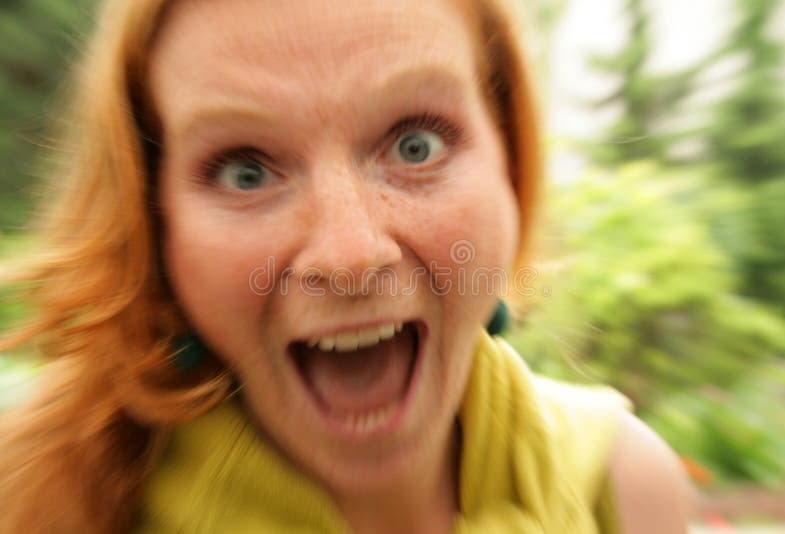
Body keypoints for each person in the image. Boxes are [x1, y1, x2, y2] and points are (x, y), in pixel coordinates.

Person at [0, 0, 691, 532]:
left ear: (511, 165)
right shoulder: (34, 491)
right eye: (246, 171)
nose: (350, 255)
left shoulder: (625, 491)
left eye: (415, 145)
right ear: (156, 229)